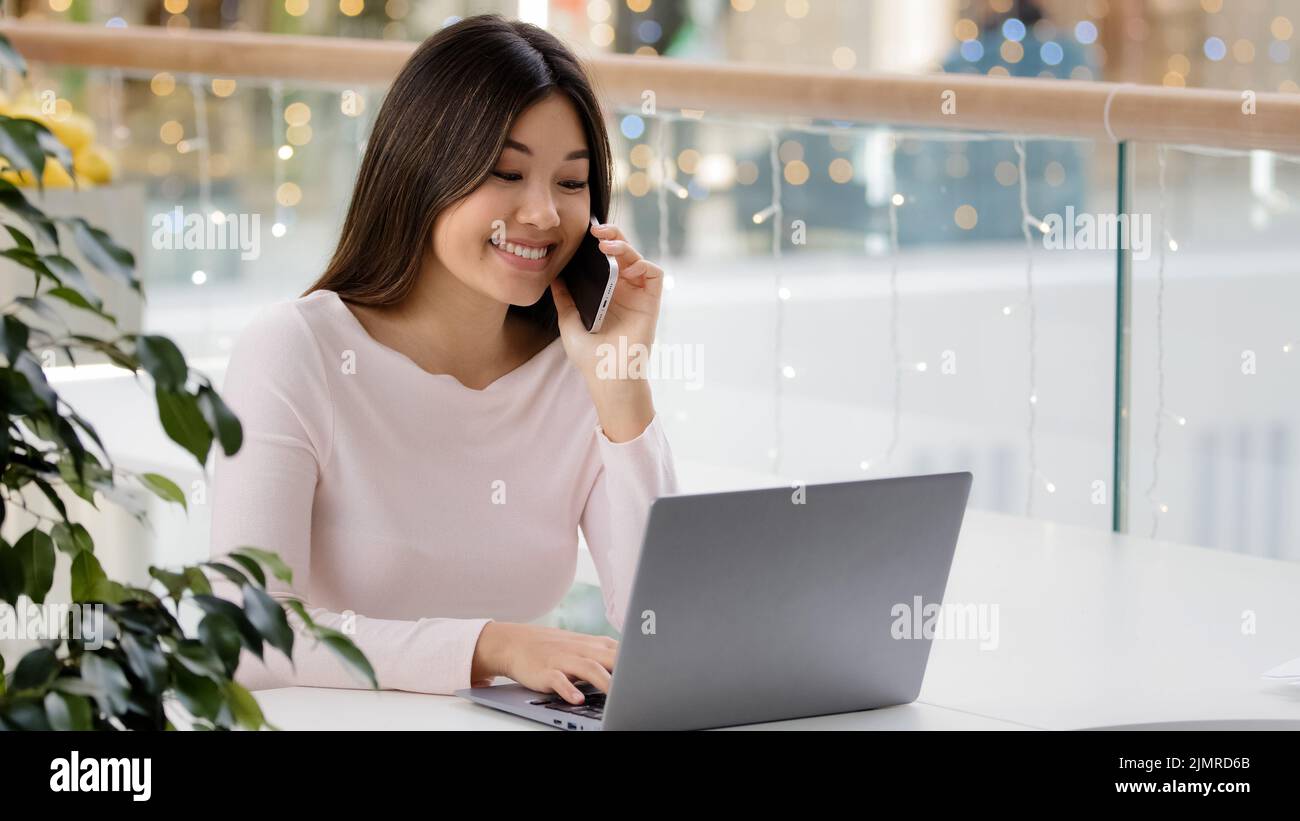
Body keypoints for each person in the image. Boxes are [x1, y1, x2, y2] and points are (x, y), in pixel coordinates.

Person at [208, 14, 678, 707]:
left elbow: (664, 625)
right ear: (423, 168)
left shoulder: (576, 368)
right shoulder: (294, 352)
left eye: (571, 183)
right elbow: (245, 633)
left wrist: (621, 387)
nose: (544, 214)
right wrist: (488, 644)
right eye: (506, 172)